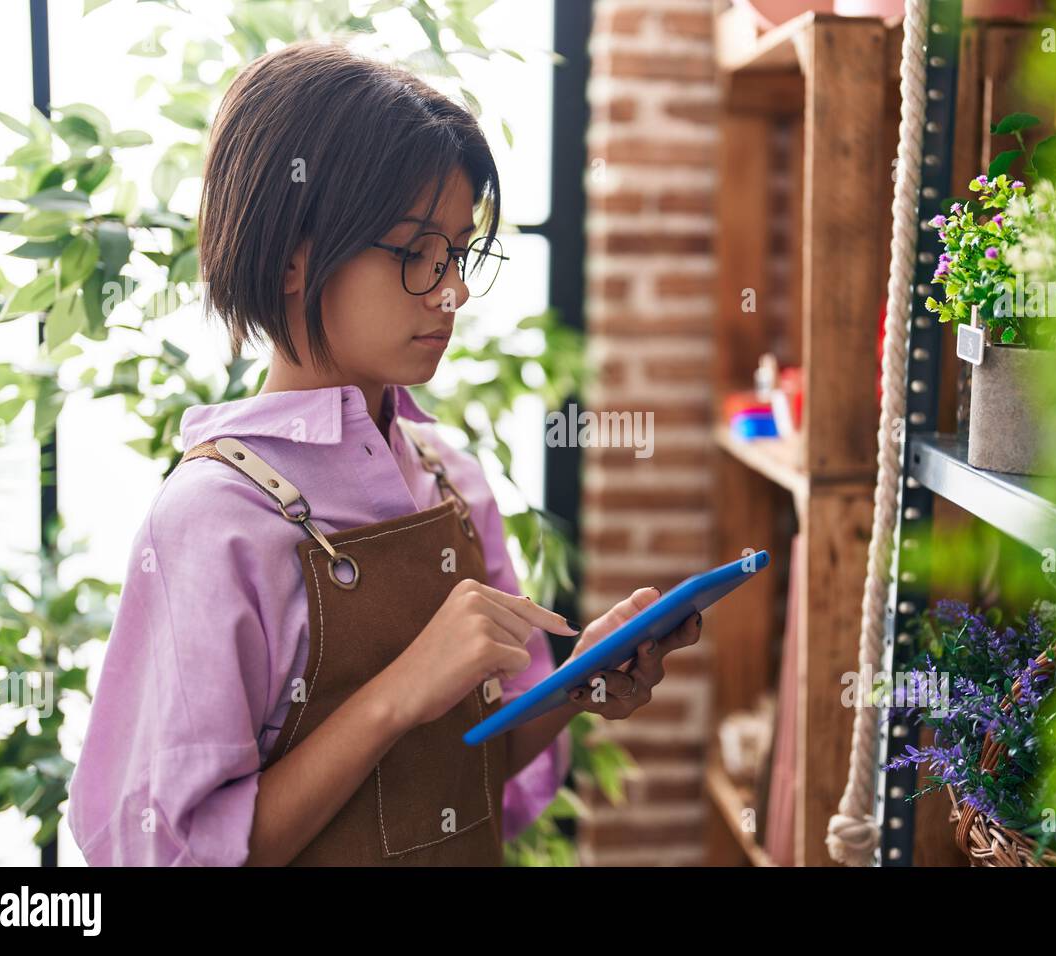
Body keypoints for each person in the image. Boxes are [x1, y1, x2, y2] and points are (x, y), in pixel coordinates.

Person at [66, 40, 700, 867]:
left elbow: (470, 772)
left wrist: (574, 684)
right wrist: (398, 695)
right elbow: (179, 853)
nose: (453, 290)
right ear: (293, 254)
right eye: (414, 253)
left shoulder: (448, 476)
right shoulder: (208, 523)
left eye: (458, 251)